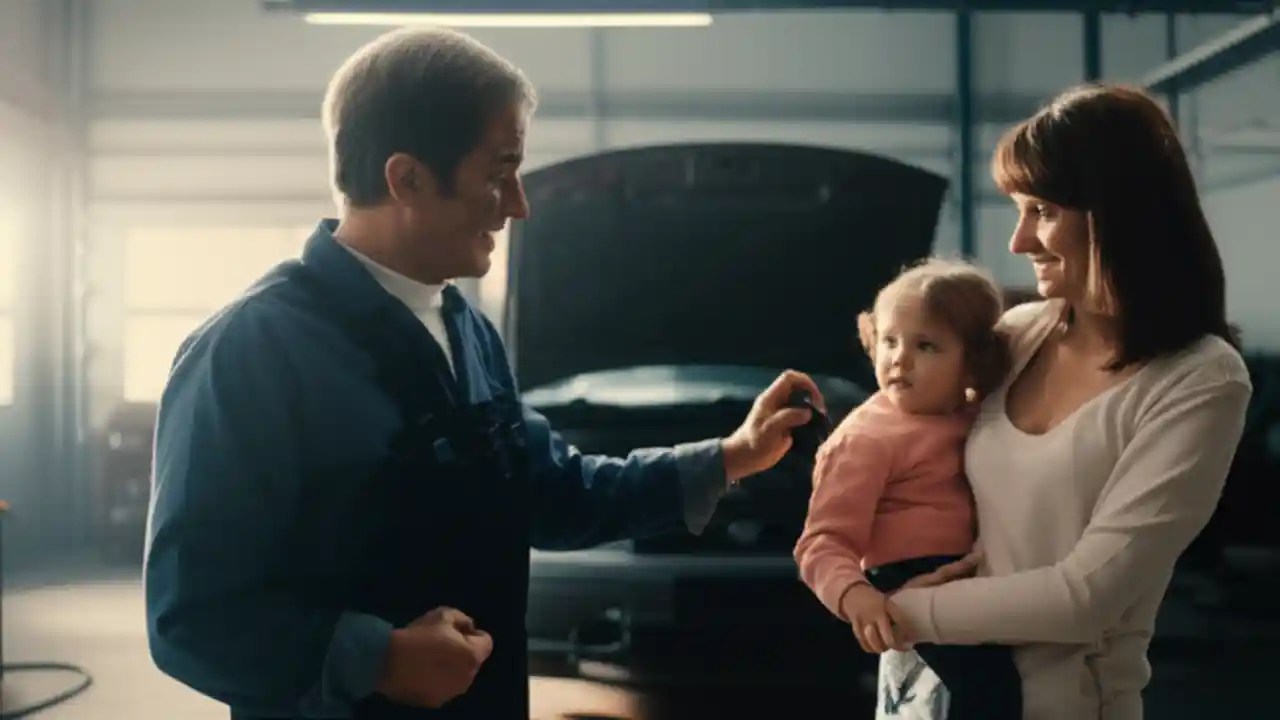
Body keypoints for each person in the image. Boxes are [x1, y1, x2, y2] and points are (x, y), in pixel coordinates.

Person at [142, 27, 824, 720]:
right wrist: (378, 658)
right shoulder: (246, 352)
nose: (519, 204)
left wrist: (732, 457)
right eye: (498, 174)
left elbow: (551, 491)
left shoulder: (468, 331)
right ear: (406, 178)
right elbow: (192, 615)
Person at [868, 83, 1252, 719]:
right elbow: (891, 426)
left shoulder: (1200, 381)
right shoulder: (1019, 335)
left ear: (1117, 214)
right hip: (924, 685)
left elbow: (1087, 596)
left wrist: (894, 608)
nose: (1019, 242)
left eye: (1042, 210)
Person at [793, 258, 1021, 720]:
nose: (899, 358)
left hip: (972, 579)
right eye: (889, 340)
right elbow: (822, 542)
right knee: (987, 694)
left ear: (973, 361)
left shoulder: (977, 415)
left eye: (926, 345)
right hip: (900, 583)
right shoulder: (864, 439)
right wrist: (857, 597)